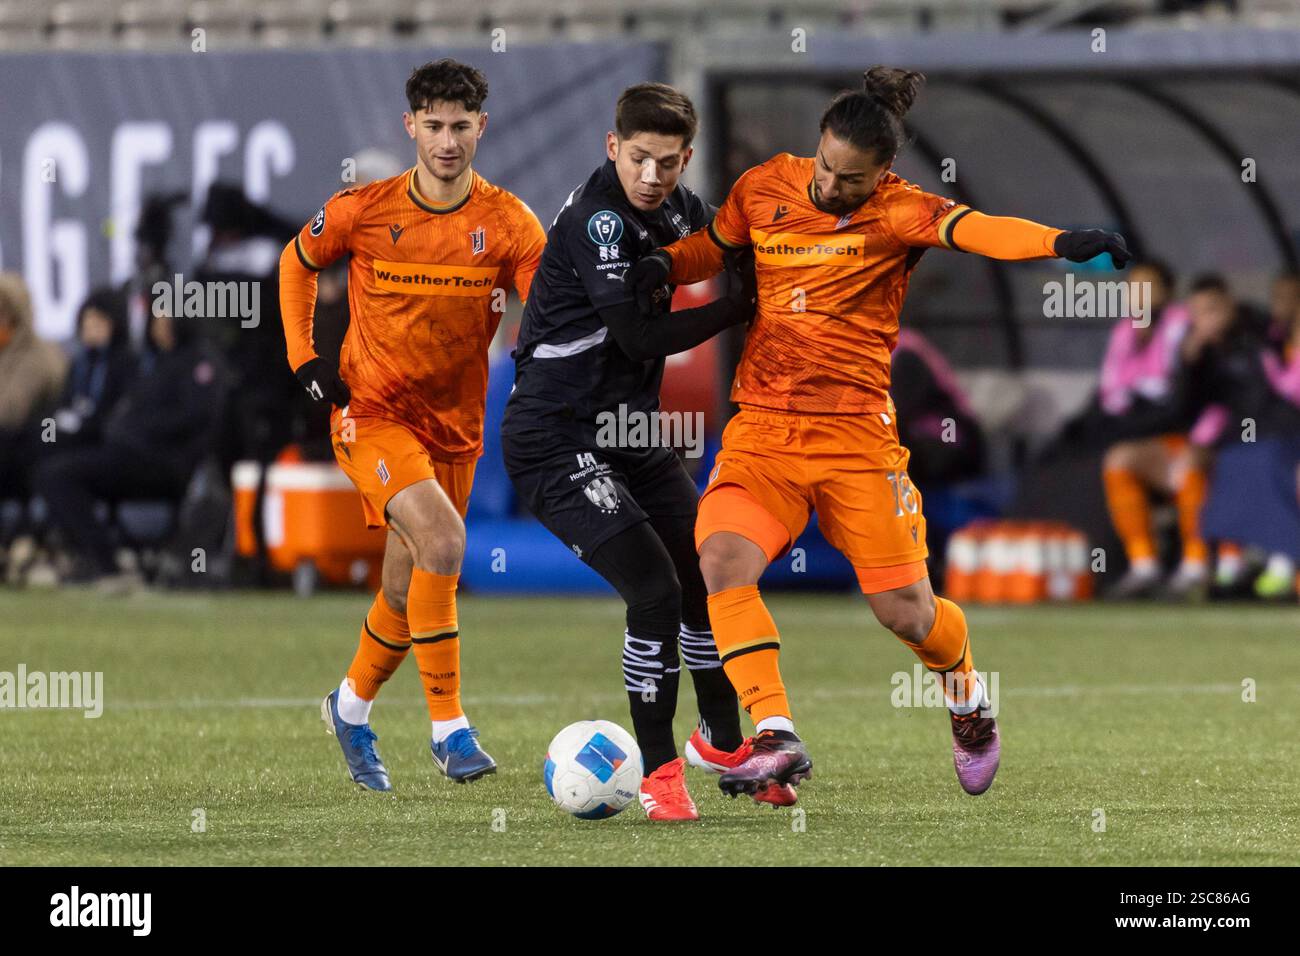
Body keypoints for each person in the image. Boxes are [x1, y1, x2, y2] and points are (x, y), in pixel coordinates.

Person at [630, 66, 1131, 799]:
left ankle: (966, 698)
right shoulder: (765, 186)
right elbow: (714, 245)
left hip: (856, 439)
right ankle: (775, 732)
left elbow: (981, 230)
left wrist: (1062, 242)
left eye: (853, 179)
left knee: (906, 612)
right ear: (818, 146)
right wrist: (662, 265)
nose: (833, 187)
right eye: (827, 168)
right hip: (763, 429)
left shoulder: (901, 211)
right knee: (721, 560)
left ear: (884, 171)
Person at [501, 83, 776, 820]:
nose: (652, 176)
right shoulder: (598, 221)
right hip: (553, 436)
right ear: (612, 147)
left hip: (629, 431)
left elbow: (737, 244)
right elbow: (639, 336)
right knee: (654, 591)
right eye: (639, 159)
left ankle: (721, 741)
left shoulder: (682, 209)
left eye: (668, 162)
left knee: (705, 572)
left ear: (686, 158)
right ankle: (659, 774)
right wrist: (735, 307)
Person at [279, 59, 546, 790]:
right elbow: (297, 263)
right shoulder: (363, 209)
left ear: (481, 127)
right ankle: (450, 730)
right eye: (434, 126)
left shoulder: (509, 224)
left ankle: (349, 707)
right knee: (446, 542)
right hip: (370, 414)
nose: (447, 141)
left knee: (406, 588)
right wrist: (305, 358)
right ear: (411, 127)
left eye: (461, 126)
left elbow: (548, 312)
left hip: (454, 427)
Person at [33, 311, 225, 590]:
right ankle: (85, 556)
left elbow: (195, 417)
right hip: (130, 454)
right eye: (155, 321)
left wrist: (139, 431)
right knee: (50, 468)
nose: (159, 328)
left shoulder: (199, 362)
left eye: (166, 321)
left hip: (164, 464)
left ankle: (105, 562)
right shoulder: (154, 362)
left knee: (59, 476)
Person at [1095, 260, 1211, 599]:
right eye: (1133, 287)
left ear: (1168, 292)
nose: (1139, 295)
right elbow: (1111, 394)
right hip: (1148, 437)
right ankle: (1143, 563)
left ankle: (1196, 564)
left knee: (1187, 465)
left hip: (1191, 435)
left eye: (1149, 287)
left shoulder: (1183, 327)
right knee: (1118, 460)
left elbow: (1179, 395)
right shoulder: (1124, 332)